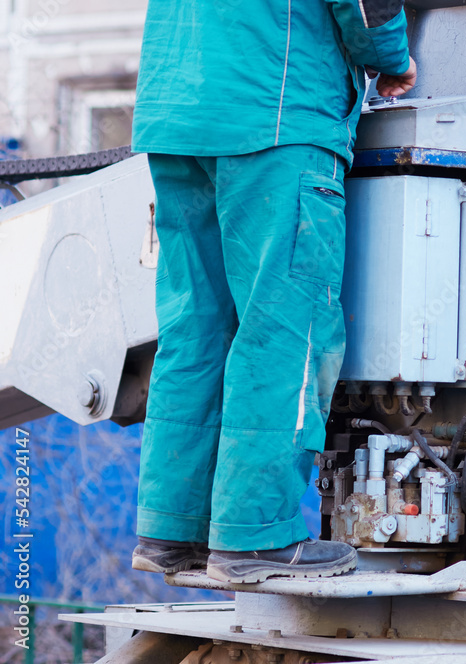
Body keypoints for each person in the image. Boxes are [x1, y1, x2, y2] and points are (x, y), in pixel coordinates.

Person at [128, 0, 416, 584]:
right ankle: (255, 539)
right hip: (276, 110)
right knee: (283, 328)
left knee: (195, 328)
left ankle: (172, 529)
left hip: (177, 109)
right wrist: (391, 57)